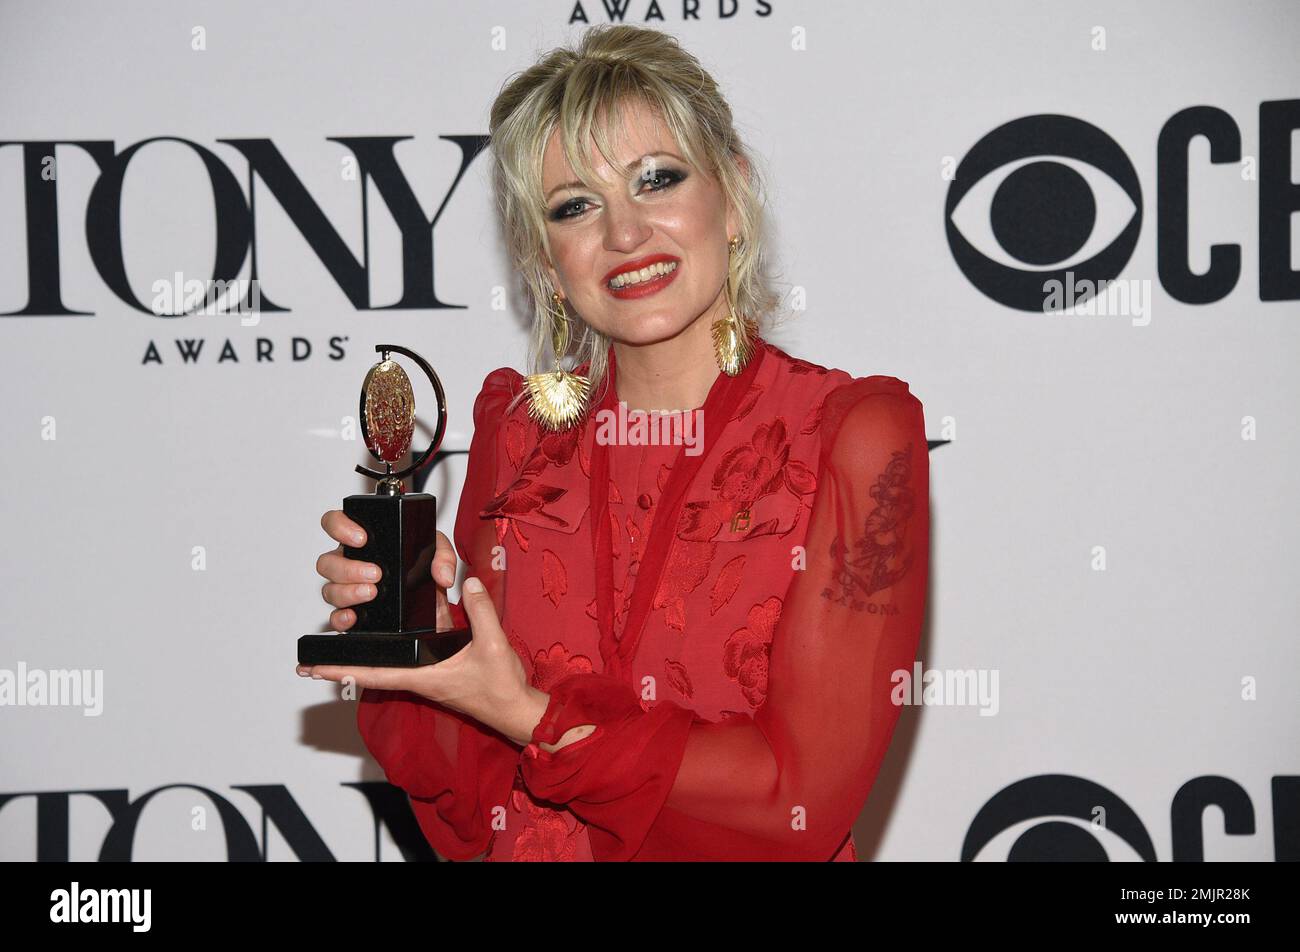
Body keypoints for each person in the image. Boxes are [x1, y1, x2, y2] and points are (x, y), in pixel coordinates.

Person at [297, 24, 930, 862]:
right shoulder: (517, 435)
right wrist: (422, 633)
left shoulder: (855, 438)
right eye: (576, 206)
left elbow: (795, 801)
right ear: (547, 263)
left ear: (733, 197)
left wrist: (529, 710)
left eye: (656, 180)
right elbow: (475, 801)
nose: (625, 233)